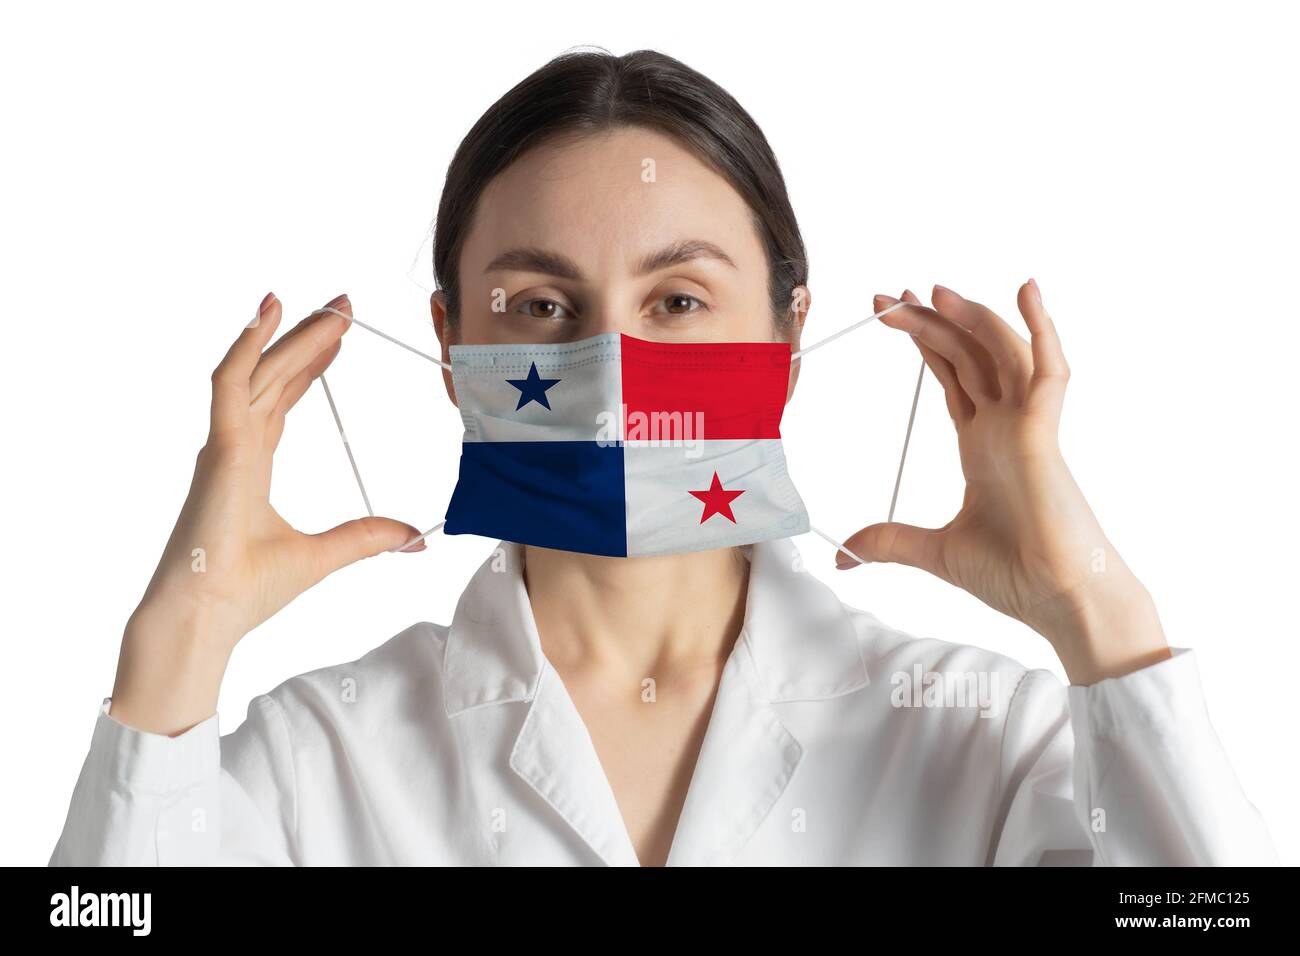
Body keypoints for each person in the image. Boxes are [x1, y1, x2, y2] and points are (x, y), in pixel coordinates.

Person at [50, 48, 1276, 866]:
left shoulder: (980, 739)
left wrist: (1094, 611)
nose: (614, 365)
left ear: (790, 334)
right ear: (449, 341)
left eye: (679, 300)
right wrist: (181, 638)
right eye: (537, 305)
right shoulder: (317, 761)